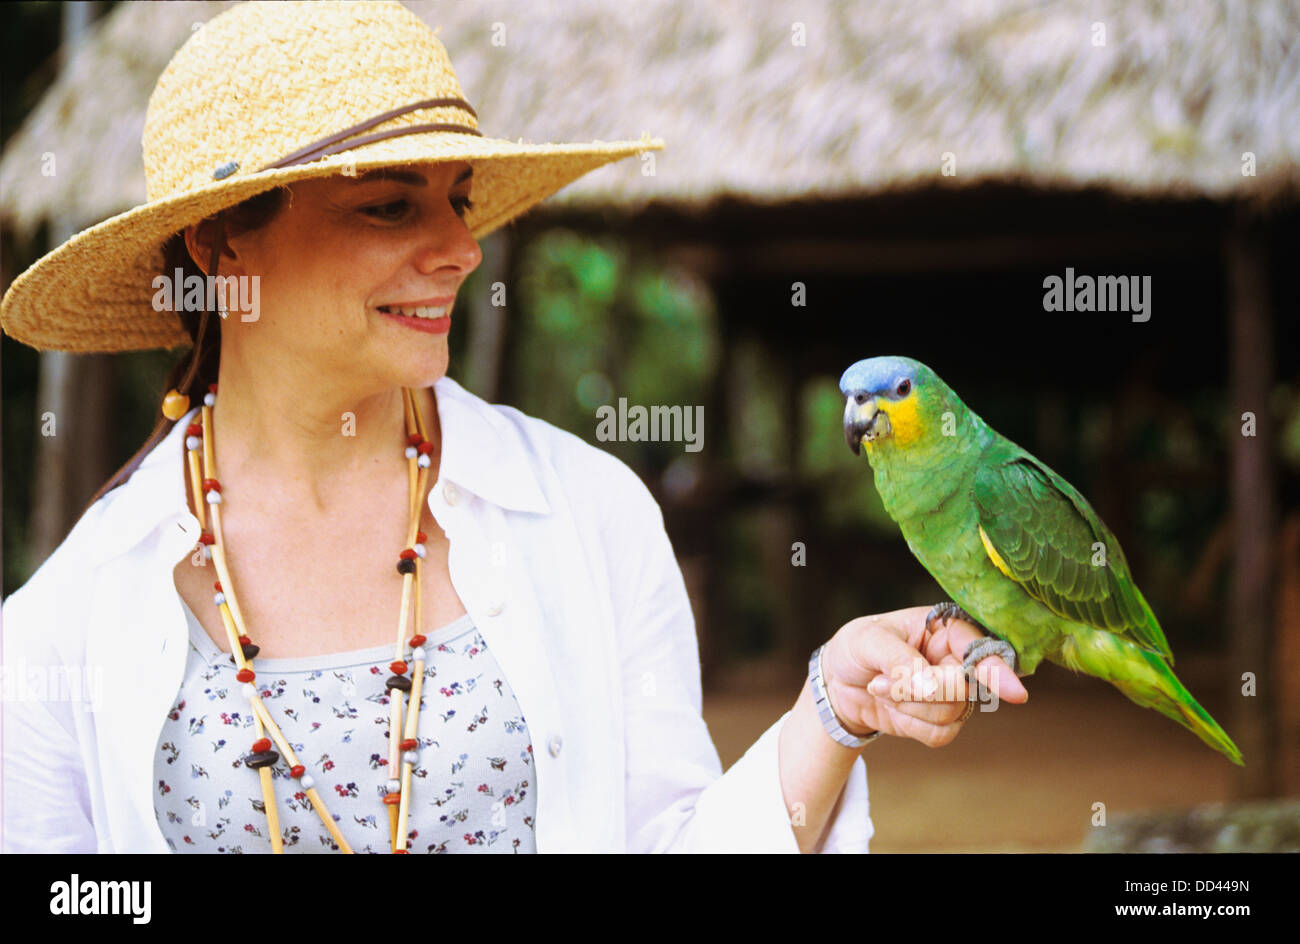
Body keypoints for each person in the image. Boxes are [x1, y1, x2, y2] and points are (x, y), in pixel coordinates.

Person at [0, 0, 1025, 855]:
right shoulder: (67, 620)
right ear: (223, 241)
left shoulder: (587, 514)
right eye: (392, 208)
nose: (461, 249)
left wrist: (829, 711)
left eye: (459, 199)